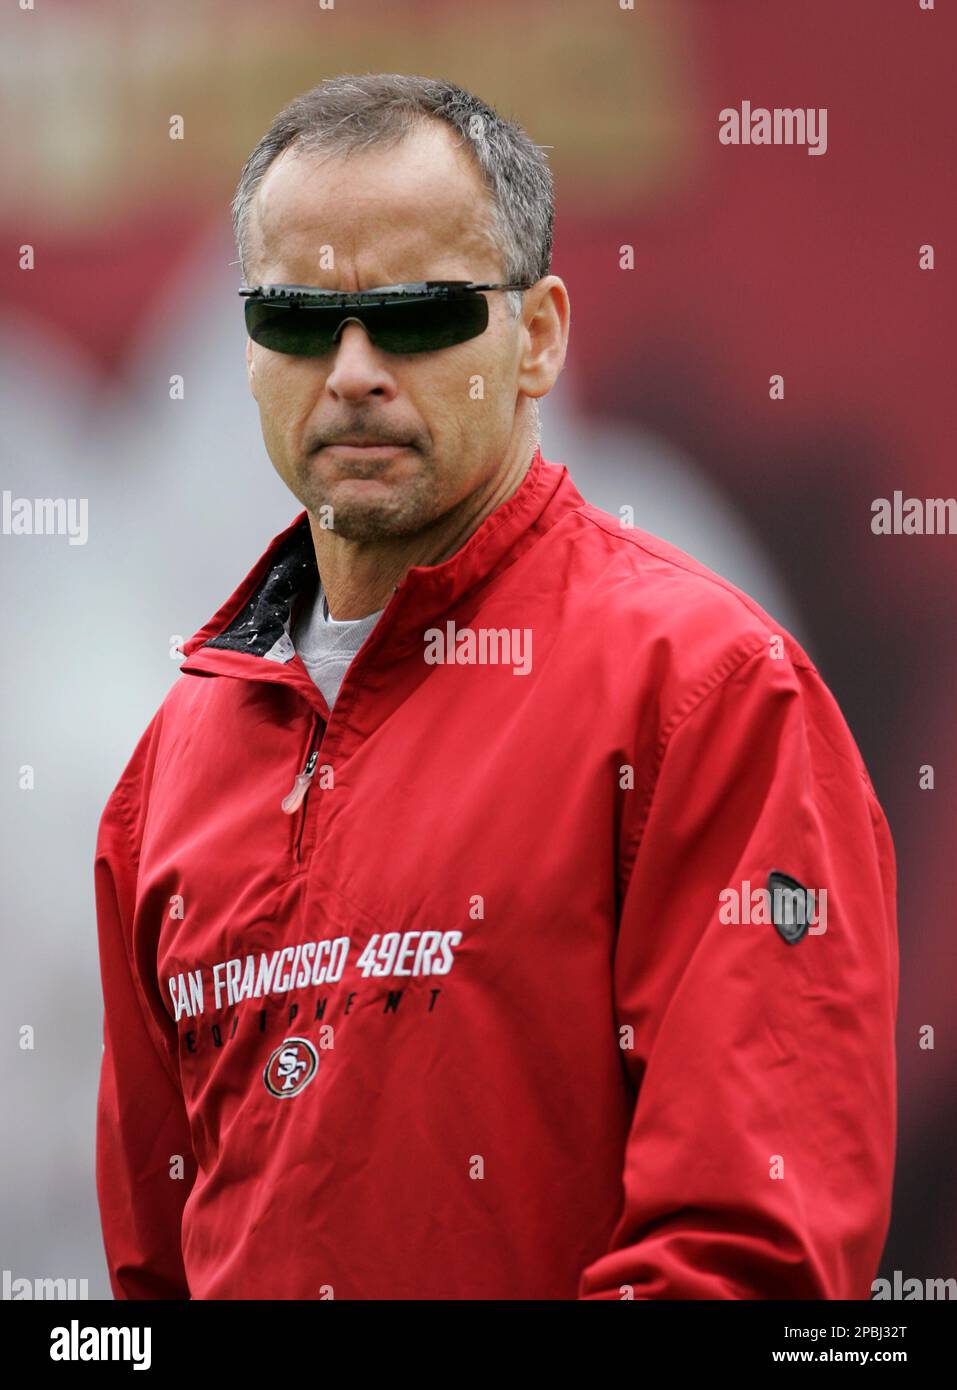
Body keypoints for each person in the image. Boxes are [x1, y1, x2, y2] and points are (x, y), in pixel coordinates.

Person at [94, 74, 898, 1301]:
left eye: (420, 314)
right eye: (298, 318)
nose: (353, 369)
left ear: (536, 338)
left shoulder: (709, 692)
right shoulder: (169, 769)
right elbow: (145, 1289)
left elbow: (751, 1259)